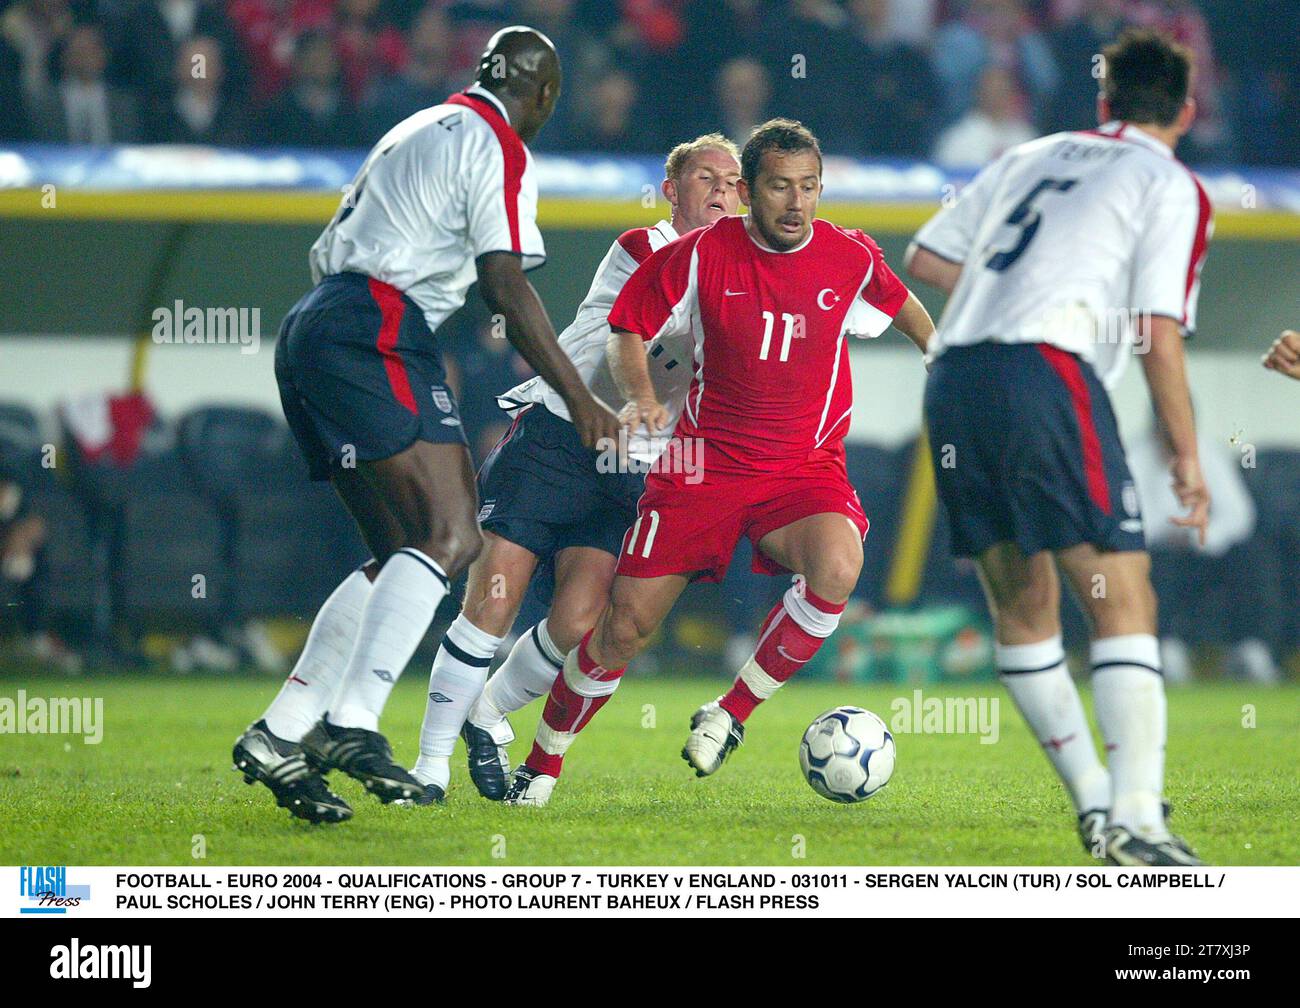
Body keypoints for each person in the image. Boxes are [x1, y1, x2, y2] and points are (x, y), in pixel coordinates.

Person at [231, 26, 620, 824]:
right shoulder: (500, 145)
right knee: (452, 536)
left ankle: (282, 730)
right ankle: (354, 724)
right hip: (376, 322)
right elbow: (504, 283)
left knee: (398, 553)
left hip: (316, 325)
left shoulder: (414, 127)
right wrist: (582, 400)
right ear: (543, 95)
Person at [504, 119, 936, 807]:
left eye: (809, 187)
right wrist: (642, 396)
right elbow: (629, 324)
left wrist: (938, 357)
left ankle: (730, 712)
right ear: (749, 193)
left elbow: (903, 305)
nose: (796, 203)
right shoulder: (702, 254)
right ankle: (544, 758)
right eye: (779, 188)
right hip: (704, 466)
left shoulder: (848, 256)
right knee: (625, 626)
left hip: (804, 468)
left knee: (838, 565)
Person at [905, 29, 1212, 866]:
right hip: (1046, 373)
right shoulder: (1169, 182)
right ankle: (1141, 820)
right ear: (1186, 110)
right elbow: (1155, 330)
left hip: (956, 376)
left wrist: (1006, 300)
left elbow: (925, 255)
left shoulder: (1030, 153)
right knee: (1123, 593)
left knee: (1023, 605)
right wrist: (1187, 454)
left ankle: (1096, 809)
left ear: (1104, 102)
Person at [408, 134, 741, 804]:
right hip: (559, 436)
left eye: (733, 182)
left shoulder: (740, 279)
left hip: (628, 467)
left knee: (579, 622)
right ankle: (427, 768)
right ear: (672, 192)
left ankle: (486, 712)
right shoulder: (642, 248)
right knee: (492, 603)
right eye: (706, 178)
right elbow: (658, 334)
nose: (722, 192)